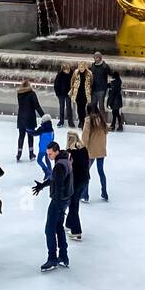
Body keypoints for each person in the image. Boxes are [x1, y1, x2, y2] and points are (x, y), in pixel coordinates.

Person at [33, 141, 73, 271]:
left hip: (59, 201)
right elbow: (55, 179)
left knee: (49, 229)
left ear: (56, 151)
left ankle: (52, 259)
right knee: (58, 227)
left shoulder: (59, 165)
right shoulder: (64, 159)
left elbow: (59, 184)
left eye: (50, 154)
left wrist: (59, 204)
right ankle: (63, 256)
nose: (48, 156)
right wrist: (42, 185)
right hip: (64, 200)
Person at [65, 130, 91, 241]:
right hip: (85, 179)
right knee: (74, 203)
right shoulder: (84, 149)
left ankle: (76, 231)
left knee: (73, 205)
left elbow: (68, 169)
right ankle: (69, 224)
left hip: (76, 182)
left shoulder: (70, 152)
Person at [82, 101, 110, 201]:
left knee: (85, 172)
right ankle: (104, 193)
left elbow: (85, 137)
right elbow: (106, 132)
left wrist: (82, 148)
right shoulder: (102, 120)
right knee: (101, 172)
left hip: (91, 152)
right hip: (101, 150)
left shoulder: (88, 121)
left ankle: (85, 195)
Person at [16, 79, 45, 162]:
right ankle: (31, 153)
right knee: (30, 136)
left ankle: (19, 153)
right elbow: (37, 106)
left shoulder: (19, 94)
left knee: (21, 136)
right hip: (30, 118)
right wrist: (44, 116)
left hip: (21, 118)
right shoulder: (32, 94)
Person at [71, 60, 92, 128]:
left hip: (85, 94)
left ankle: (83, 121)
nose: (81, 68)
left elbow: (92, 83)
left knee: (83, 108)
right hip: (77, 93)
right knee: (79, 108)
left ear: (85, 67)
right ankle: (80, 121)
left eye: (82, 67)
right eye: (80, 67)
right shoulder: (76, 72)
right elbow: (72, 81)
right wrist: (73, 88)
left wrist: (90, 90)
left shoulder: (89, 73)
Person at [35, 114, 55, 180]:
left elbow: (34, 133)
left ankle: (47, 171)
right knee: (47, 160)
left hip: (42, 149)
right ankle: (50, 173)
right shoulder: (52, 130)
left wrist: (28, 130)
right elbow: (52, 139)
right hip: (49, 148)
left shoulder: (42, 129)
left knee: (39, 160)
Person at [53, 62, 74, 127]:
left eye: (68, 69)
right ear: (63, 69)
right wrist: (57, 93)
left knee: (69, 108)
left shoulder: (72, 74)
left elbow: (73, 84)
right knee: (61, 107)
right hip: (61, 94)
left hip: (68, 94)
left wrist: (72, 92)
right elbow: (56, 84)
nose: (68, 71)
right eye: (66, 70)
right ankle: (61, 121)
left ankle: (70, 122)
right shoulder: (60, 75)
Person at [107, 66, 125, 131]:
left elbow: (112, 94)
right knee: (116, 114)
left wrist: (109, 103)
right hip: (118, 101)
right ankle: (116, 126)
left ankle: (114, 126)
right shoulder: (119, 81)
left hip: (114, 102)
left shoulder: (113, 83)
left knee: (115, 114)